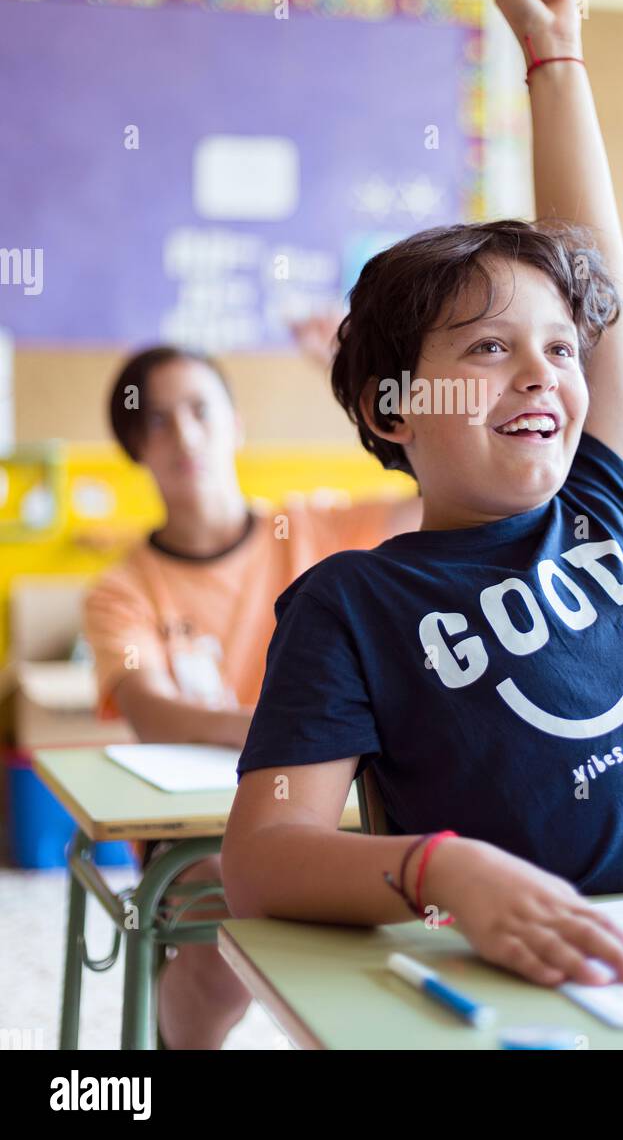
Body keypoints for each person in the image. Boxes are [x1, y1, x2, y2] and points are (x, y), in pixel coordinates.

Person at [222, 0, 623, 995]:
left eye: (559, 351)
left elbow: (594, 269)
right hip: (557, 993)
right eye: (487, 349)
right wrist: (445, 872)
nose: (541, 374)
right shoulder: (348, 605)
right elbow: (258, 860)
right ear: (393, 408)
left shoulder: (602, 502)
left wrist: (554, 56)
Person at [84, 337, 420, 1049]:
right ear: (136, 448)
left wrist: (354, 364)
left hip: (345, 805)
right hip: (200, 827)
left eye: (202, 410)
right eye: (160, 421)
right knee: (229, 922)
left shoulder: (313, 527)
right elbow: (151, 709)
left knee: (404, 921)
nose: (185, 434)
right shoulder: (121, 588)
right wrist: (292, 732)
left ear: (237, 426)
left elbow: (438, 485)